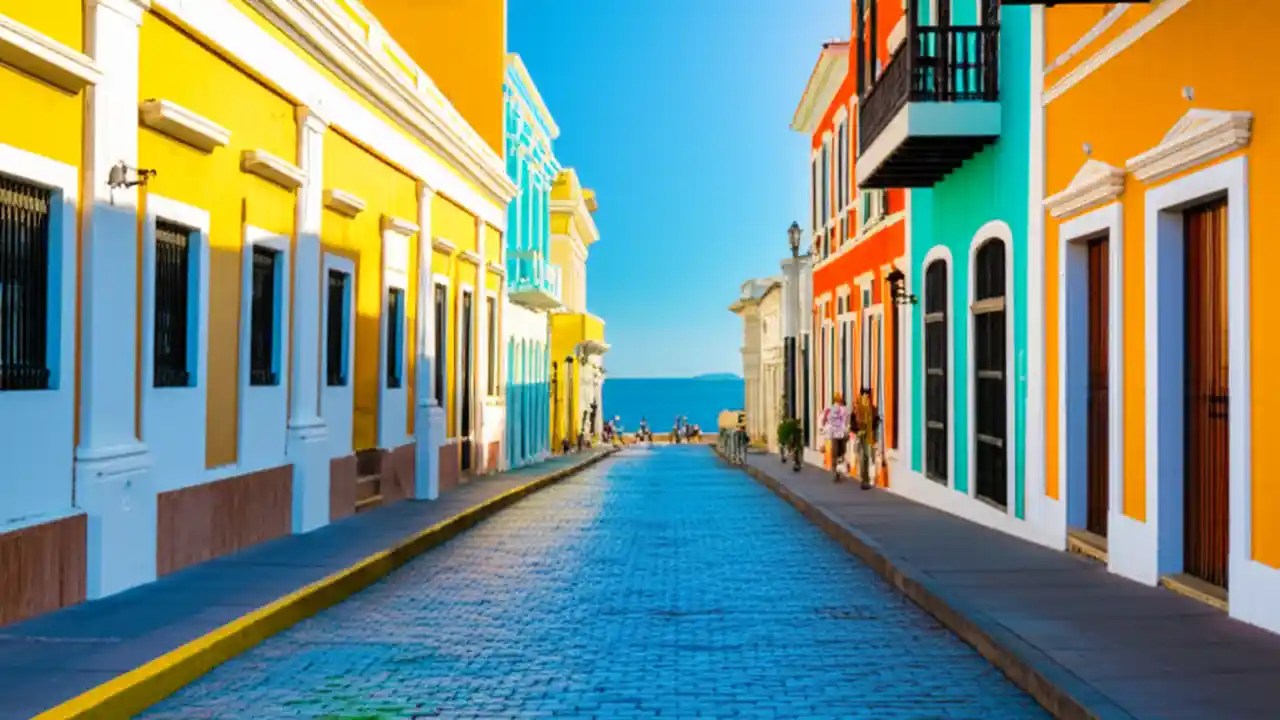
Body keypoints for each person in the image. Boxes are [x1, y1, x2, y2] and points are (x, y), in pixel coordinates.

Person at [850, 390, 882, 490]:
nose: (866, 398)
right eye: (864, 396)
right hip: (861, 436)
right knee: (863, 458)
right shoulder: (857, 409)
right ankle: (864, 480)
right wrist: (857, 431)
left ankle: (866, 480)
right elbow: (853, 422)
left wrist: (875, 424)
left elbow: (875, 421)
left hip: (870, 437)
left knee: (867, 458)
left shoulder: (872, 409)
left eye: (867, 397)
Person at [819, 393, 851, 483]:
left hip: (837, 434)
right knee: (839, 453)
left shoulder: (836, 409)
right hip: (840, 434)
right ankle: (837, 471)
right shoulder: (842, 409)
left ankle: (836, 471)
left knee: (837, 453)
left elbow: (825, 420)